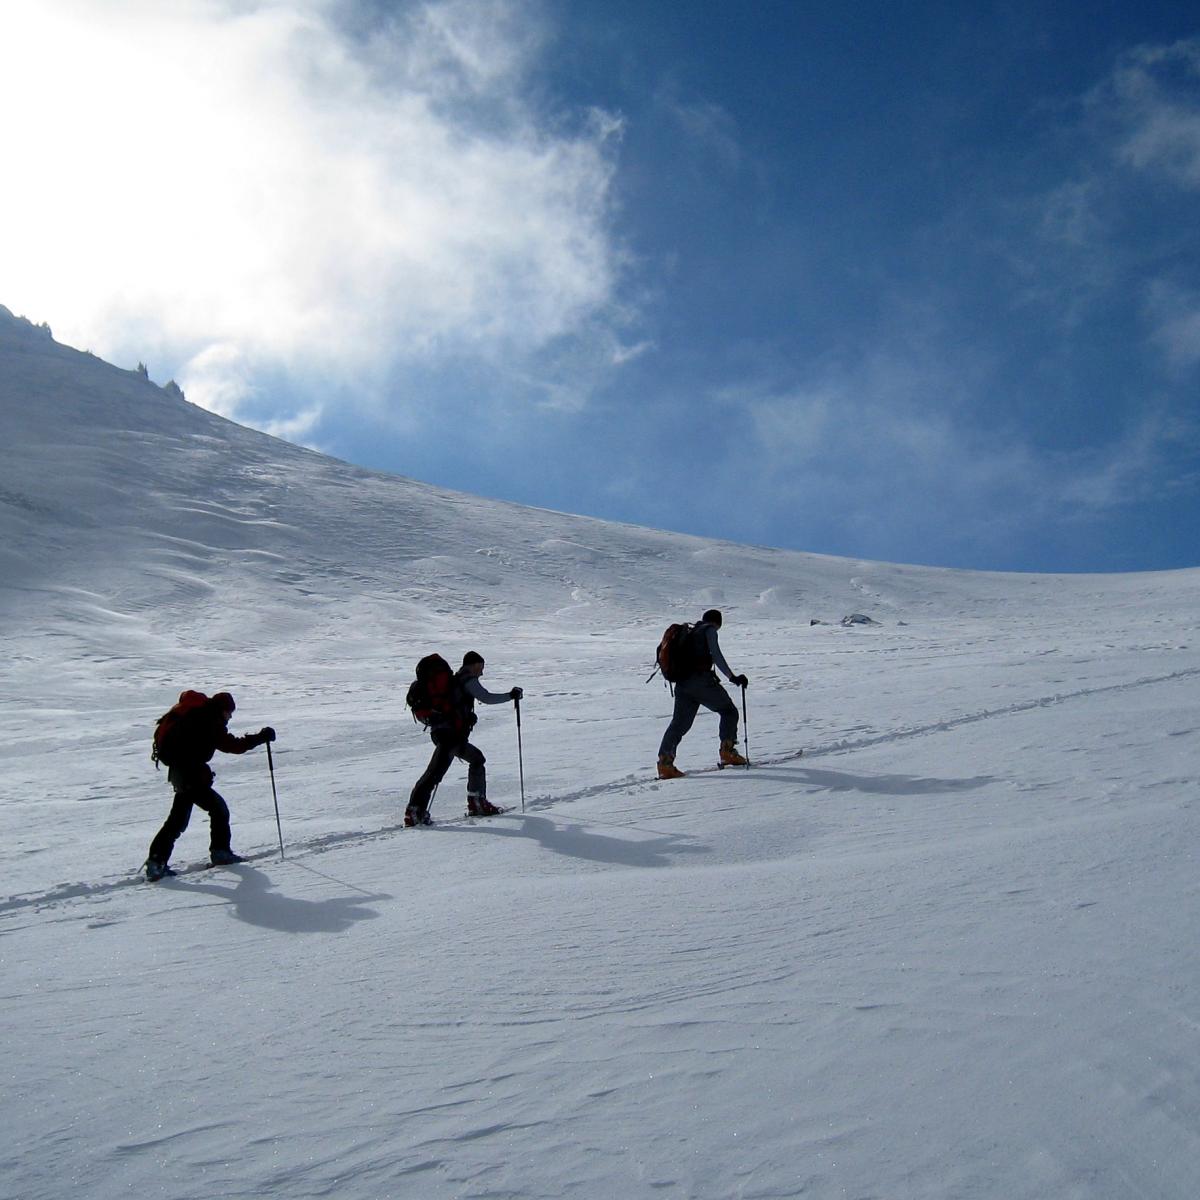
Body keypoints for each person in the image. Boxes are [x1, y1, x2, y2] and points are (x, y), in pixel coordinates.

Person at [145, 692, 275, 880]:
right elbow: (232, 745)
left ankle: (156, 862)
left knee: (178, 820)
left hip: (180, 773)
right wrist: (260, 738)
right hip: (191, 775)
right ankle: (220, 853)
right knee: (217, 810)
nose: (229, 717)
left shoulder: (197, 715)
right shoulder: (208, 719)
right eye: (229, 713)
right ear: (222, 710)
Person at [406, 651, 522, 825]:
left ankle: (476, 803)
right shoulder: (467, 680)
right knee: (434, 773)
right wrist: (510, 696)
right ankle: (415, 812)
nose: (482, 672)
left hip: (446, 734)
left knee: (476, 758)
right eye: (481, 668)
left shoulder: (456, 681)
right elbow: (486, 697)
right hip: (449, 735)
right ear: (474, 665)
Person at [657, 609, 748, 778]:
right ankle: (727, 752)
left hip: (682, 684)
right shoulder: (709, 630)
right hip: (701, 682)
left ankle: (665, 763)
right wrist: (732, 677)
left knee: (678, 724)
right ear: (717, 622)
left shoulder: (690, 631)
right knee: (729, 711)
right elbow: (716, 654)